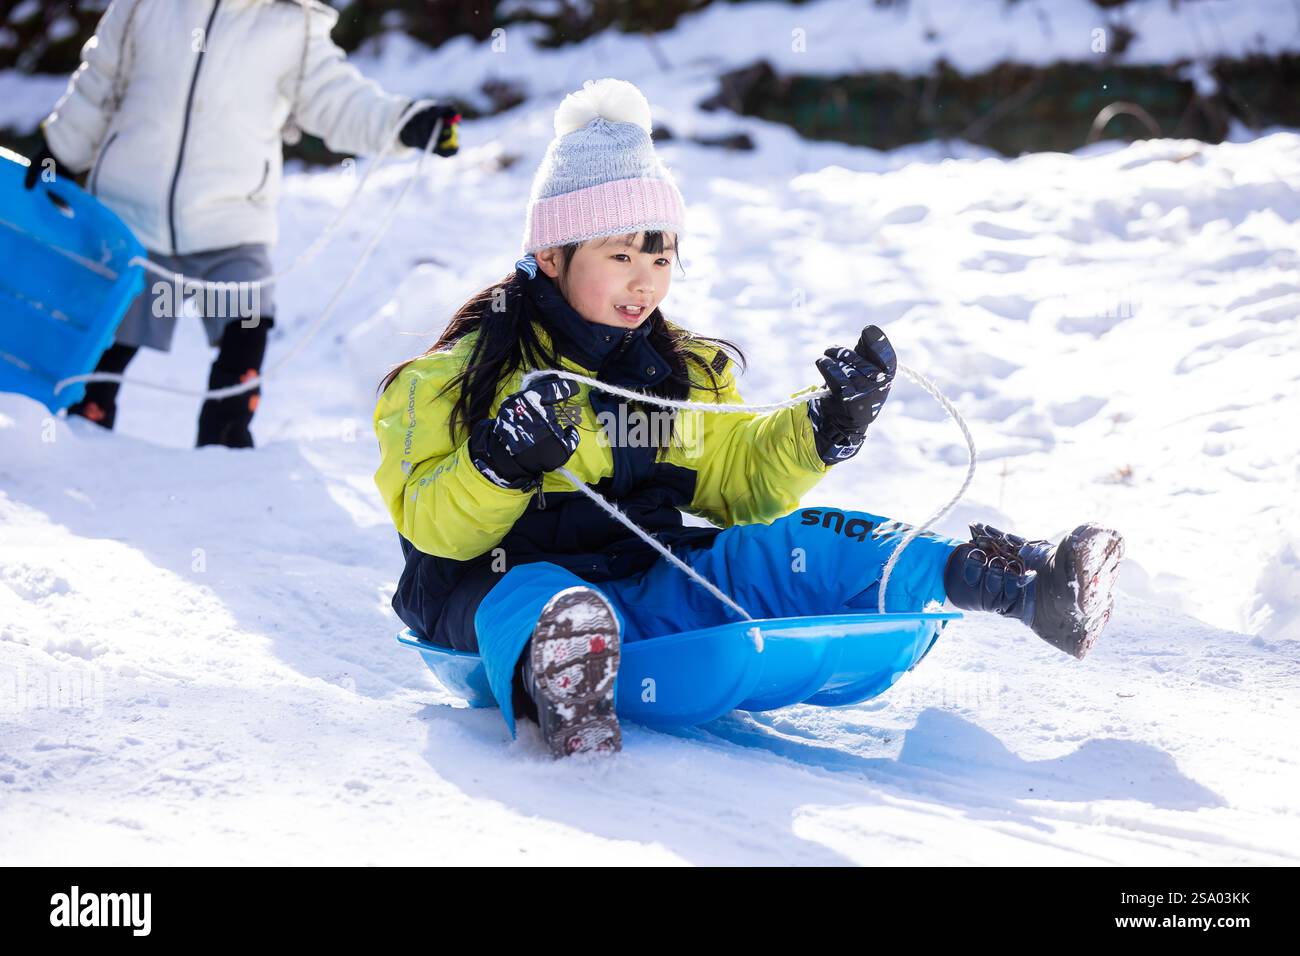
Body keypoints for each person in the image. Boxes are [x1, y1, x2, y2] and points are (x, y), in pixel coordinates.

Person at [372, 79, 1125, 758]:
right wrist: (500, 462)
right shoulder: (453, 381)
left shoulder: (677, 373)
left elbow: (736, 482)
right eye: (620, 257)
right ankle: (567, 683)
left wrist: (825, 426)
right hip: (493, 598)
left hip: (646, 578)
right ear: (552, 252)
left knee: (799, 544)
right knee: (535, 589)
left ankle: (1018, 588)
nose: (646, 283)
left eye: (661, 259)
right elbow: (433, 525)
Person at [27, 0, 460, 447]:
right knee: (108, 337)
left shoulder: (293, 24)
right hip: (132, 220)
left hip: (231, 224)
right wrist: (61, 147)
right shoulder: (143, 6)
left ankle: (227, 441)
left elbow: (338, 100)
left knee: (247, 322)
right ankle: (83, 429)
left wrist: (405, 123)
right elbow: (100, 81)